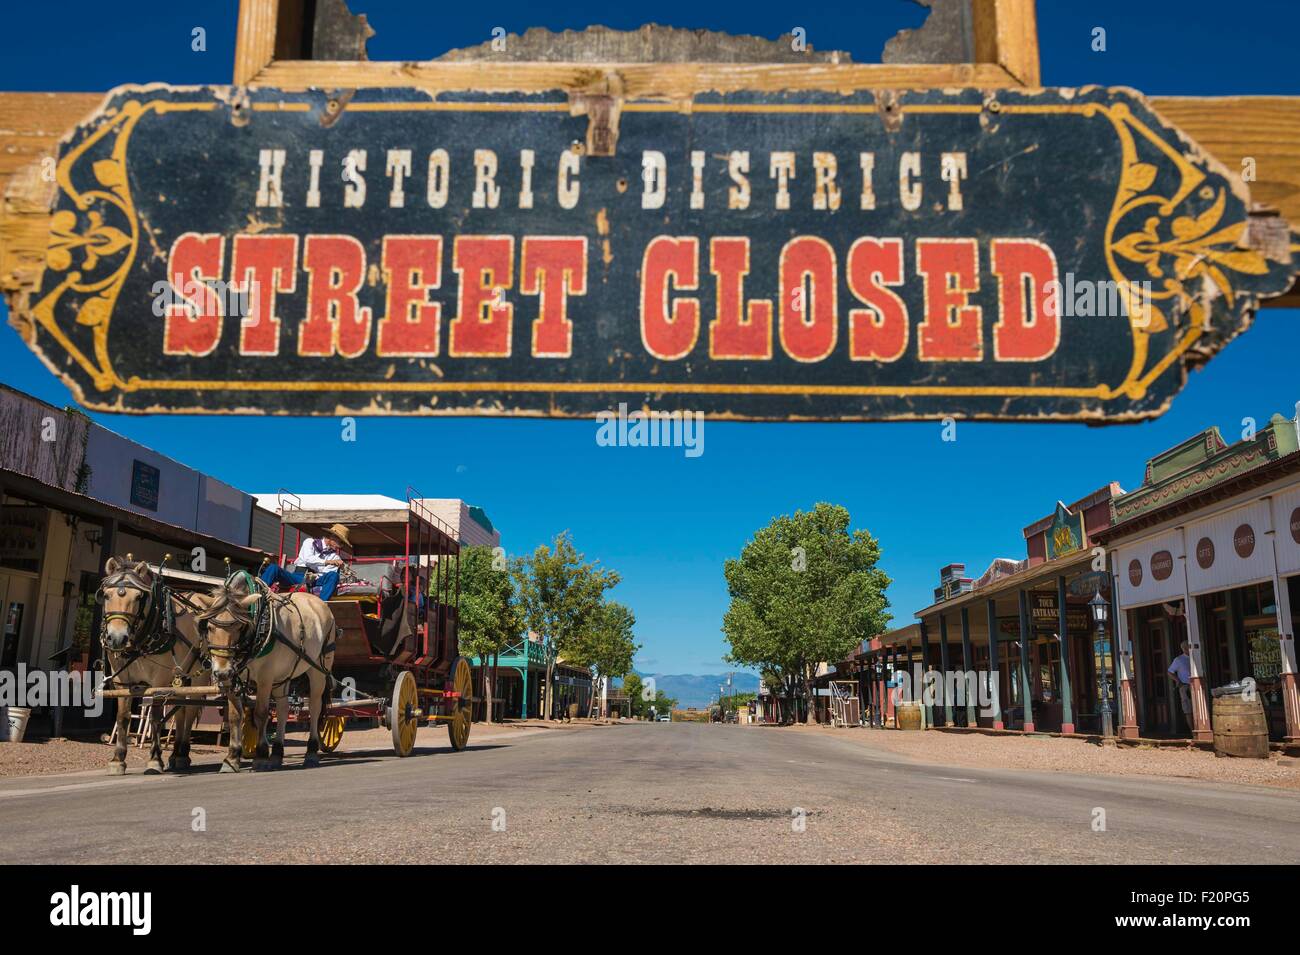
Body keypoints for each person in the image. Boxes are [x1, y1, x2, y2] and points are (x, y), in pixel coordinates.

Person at [259, 524, 350, 601]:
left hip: (315, 581)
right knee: (273, 568)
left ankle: (322, 604)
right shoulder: (309, 542)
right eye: (341, 542)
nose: (341, 546)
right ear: (332, 537)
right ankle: (258, 596)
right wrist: (328, 562)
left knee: (334, 576)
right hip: (298, 576)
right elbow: (308, 559)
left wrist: (318, 574)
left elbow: (327, 574)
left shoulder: (335, 557)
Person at [1167, 640, 1193, 735]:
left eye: (1187, 647)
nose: (1186, 649)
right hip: (1185, 686)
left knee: (1198, 708)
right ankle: (1192, 731)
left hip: (1197, 686)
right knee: (1188, 710)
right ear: (1182, 649)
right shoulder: (1178, 660)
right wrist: (1178, 681)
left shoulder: (1196, 656)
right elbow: (1170, 672)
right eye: (1184, 647)